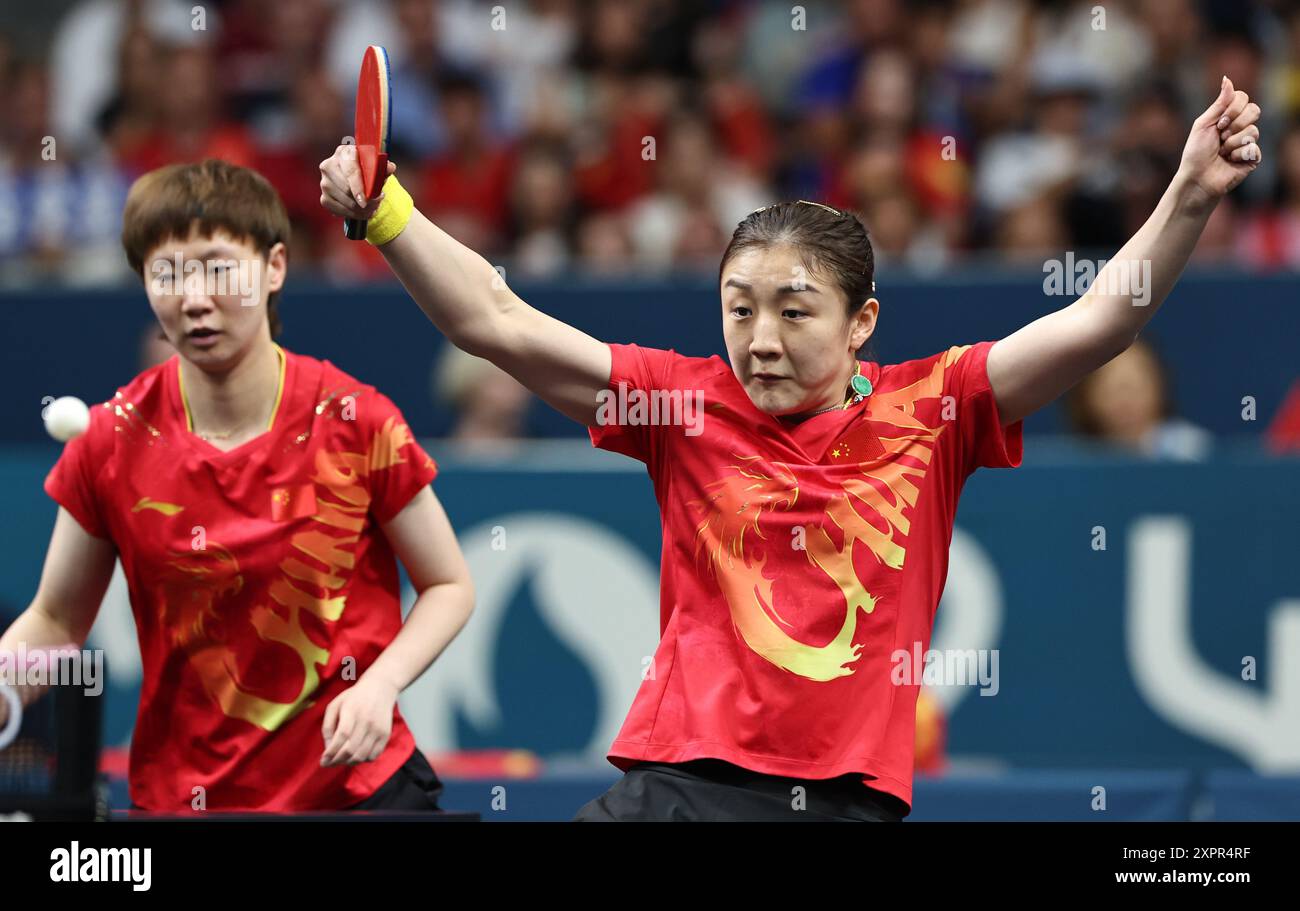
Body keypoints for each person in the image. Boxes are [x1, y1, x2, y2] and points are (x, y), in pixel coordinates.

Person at [318, 76, 1262, 821]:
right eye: (739, 310)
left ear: (863, 324)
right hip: (674, 785)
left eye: (794, 312)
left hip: (842, 800)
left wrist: (1188, 193)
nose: (760, 339)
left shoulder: (937, 406)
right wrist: (387, 213)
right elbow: (496, 320)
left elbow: (1102, 320)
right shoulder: (681, 405)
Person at [0, 159, 474, 813]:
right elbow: (55, 618)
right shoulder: (110, 438)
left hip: (357, 791)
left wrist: (381, 683)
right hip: (184, 797)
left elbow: (449, 583)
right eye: (166, 273)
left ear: (274, 267)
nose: (193, 297)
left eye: (218, 267)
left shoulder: (356, 418)